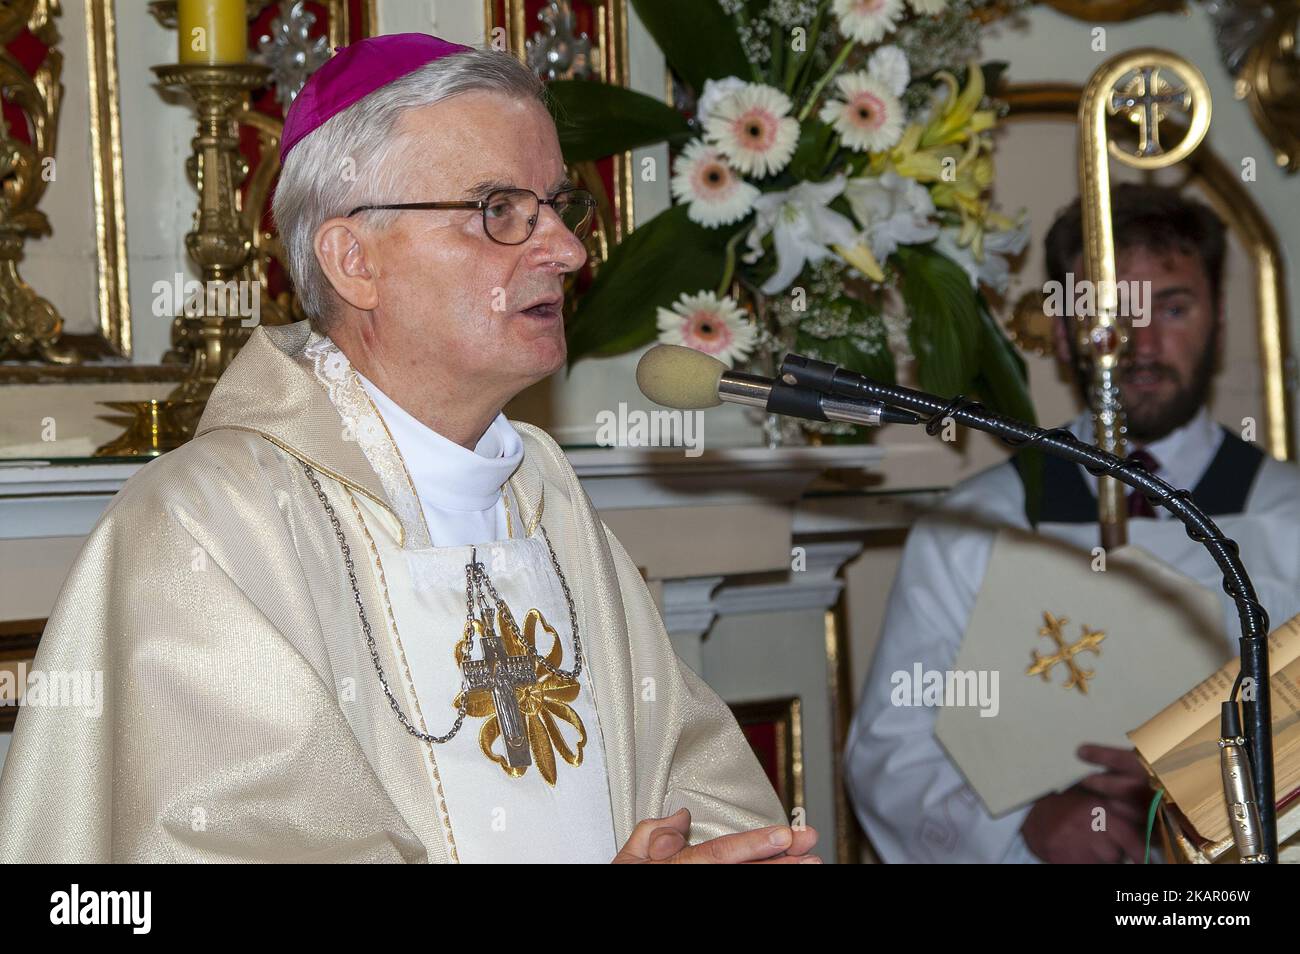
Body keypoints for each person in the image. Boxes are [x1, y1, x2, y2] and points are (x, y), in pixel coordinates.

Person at [0, 33, 819, 865]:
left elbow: (697, 786)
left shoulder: (544, 499)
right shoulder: (206, 530)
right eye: (500, 210)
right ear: (354, 260)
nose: (568, 251)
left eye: (560, 209)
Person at [844, 184, 1300, 863]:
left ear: (1220, 319)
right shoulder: (972, 527)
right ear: (1061, 331)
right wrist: (1020, 823)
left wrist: (1209, 791)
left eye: (1173, 307)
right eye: (1110, 314)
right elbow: (890, 753)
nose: (1140, 345)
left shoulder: (1288, 516)